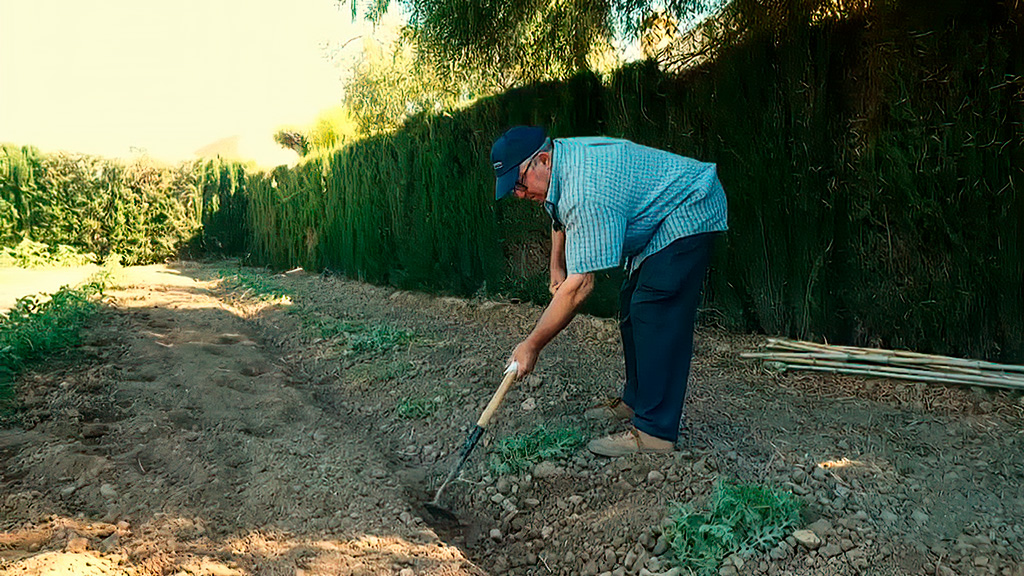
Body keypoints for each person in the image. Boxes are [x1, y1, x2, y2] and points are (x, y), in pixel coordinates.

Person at [490, 125, 728, 457]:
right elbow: (558, 213)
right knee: (633, 305)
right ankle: (635, 401)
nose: (518, 194)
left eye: (518, 184)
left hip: (689, 205)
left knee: (655, 308)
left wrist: (532, 345)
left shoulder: (585, 188)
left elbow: (579, 288)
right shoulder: (559, 161)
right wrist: (556, 263)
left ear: (542, 160)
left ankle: (655, 434)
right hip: (662, 215)